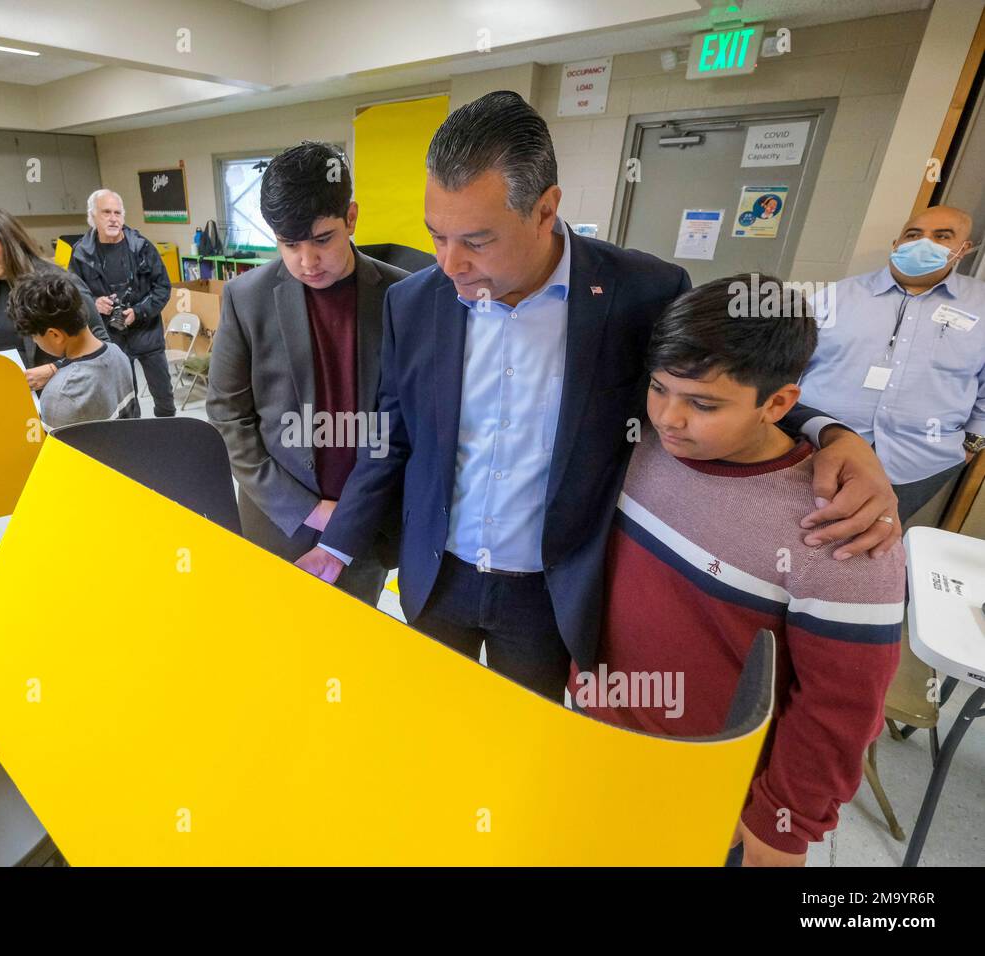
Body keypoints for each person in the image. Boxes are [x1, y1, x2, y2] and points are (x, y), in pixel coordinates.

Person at [297, 91, 901, 700]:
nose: (451, 264)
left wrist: (830, 432)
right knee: (429, 718)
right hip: (436, 574)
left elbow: (714, 385)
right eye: (437, 237)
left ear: (545, 209)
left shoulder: (642, 291)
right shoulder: (415, 301)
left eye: (477, 241)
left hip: (552, 588)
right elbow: (391, 437)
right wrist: (338, 544)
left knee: (532, 743)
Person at [577, 276, 903, 867]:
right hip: (591, 742)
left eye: (703, 405)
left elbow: (840, 707)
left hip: (707, 791)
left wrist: (782, 827)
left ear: (778, 404)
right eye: (658, 389)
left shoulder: (841, 528)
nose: (670, 418)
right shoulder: (639, 444)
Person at [206, 141, 408, 604]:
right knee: (277, 651)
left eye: (322, 240)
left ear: (351, 218)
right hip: (279, 525)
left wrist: (352, 514)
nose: (306, 261)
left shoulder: (402, 294)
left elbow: (410, 423)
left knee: (351, 651)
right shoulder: (246, 297)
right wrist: (308, 510)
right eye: (289, 244)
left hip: (366, 530)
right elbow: (227, 416)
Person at [799, 205, 985, 523]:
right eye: (914, 234)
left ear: (963, 249)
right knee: (802, 530)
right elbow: (791, 364)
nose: (924, 243)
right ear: (896, 243)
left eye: (942, 236)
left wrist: (970, 446)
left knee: (870, 549)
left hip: (919, 465)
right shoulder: (836, 296)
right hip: (816, 448)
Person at [0, 204, 112, 392]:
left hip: (63, 399)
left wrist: (55, 369)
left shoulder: (56, 281)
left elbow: (103, 346)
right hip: (14, 399)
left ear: (9, 240)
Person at [67, 190, 175, 417]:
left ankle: (169, 435)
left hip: (147, 334)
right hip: (111, 339)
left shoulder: (142, 247)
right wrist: (94, 303)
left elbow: (163, 287)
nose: (113, 218)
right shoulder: (81, 254)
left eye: (118, 212)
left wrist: (139, 311)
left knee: (164, 397)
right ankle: (135, 443)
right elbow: (74, 294)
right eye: (106, 212)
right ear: (92, 216)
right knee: (127, 400)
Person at [8, 271, 135, 429]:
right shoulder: (116, 353)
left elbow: (58, 452)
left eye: (34, 337)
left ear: (55, 334)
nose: (34, 341)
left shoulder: (59, 395)